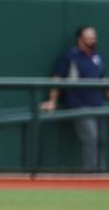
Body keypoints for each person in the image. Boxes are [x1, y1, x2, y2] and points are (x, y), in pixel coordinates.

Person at [40, 27, 108, 172]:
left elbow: (103, 79)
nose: (92, 41)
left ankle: (101, 173)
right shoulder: (70, 56)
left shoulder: (97, 57)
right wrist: (52, 100)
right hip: (79, 105)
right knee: (91, 138)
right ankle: (90, 175)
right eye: (89, 38)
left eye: (94, 38)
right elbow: (57, 77)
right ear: (80, 40)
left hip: (97, 104)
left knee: (101, 140)